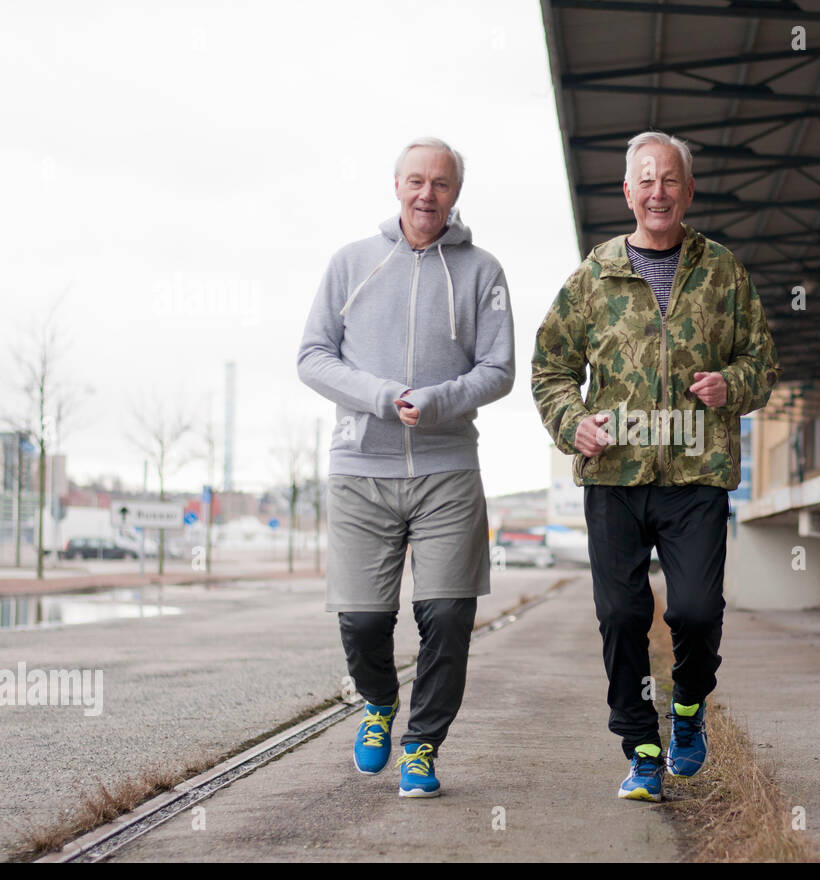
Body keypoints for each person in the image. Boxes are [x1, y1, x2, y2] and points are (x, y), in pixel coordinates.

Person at [531, 130, 779, 801]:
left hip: (697, 475)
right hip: (614, 476)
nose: (658, 191)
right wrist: (569, 422)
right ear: (627, 193)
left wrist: (733, 385)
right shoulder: (593, 277)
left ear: (688, 191)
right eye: (645, 179)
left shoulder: (723, 272)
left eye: (670, 179)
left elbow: (764, 364)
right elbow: (551, 367)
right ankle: (642, 746)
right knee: (620, 616)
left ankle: (690, 707)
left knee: (696, 610)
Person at [297, 137, 514, 798]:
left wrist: (441, 399)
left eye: (441, 184)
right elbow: (311, 356)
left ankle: (421, 745)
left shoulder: (482, 270)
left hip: (447, 467)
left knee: (447, 615)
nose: (427, 194)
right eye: (416, 180)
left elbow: (500, 369)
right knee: (362, 620)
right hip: (362, 466)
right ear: (397, 186)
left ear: (455, 194)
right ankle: (380, 701)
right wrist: (378, 396)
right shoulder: (351, 263)